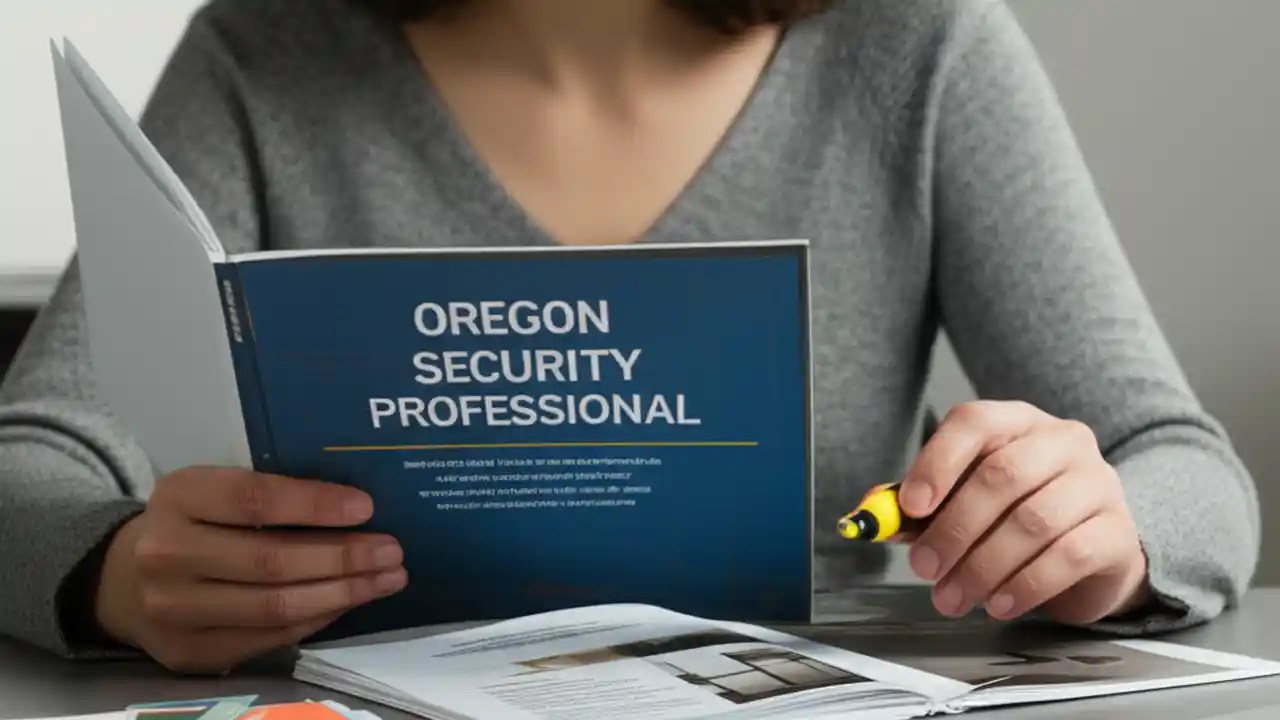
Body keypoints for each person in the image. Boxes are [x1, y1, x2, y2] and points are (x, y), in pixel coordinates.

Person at [0, 0, 1260, 675]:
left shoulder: (920, 46)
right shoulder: (256, 56)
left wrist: (1101, 537)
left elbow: (1181, 466)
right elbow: (28, 464)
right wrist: (111, 574)